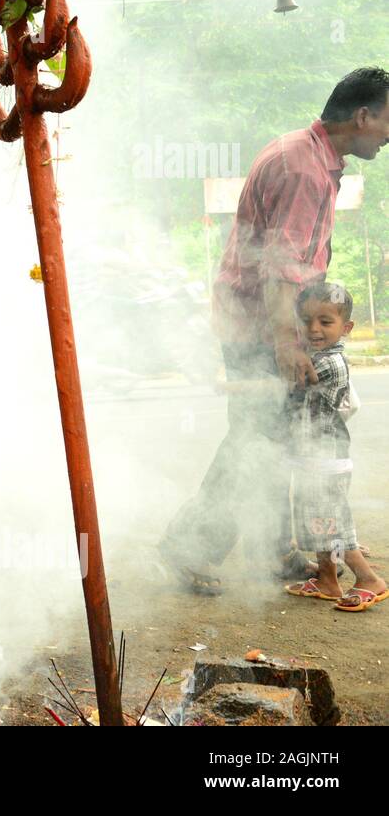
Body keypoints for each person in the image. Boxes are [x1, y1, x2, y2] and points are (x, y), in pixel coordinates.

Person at [160, 67, 389, 593]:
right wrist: (288, 342)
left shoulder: (302, 152)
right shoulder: (305, 169)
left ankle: (276, 550)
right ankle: (187, 549)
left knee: (277, 439)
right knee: (254, 442)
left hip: (259, 321)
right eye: (385, 122)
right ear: (362, 116)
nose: (387, 135)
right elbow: (281, 267)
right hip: (261, 329)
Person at [283, 283, 387, 611]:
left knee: (332, 525)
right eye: (306, 320)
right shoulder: (316, 357)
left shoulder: (330, 364)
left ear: (346, 327)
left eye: (325, 322)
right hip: (311, 459)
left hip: (326, 461)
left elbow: (294, 397)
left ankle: (367, 577)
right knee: (316, 521)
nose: (314, 328)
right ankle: (328, 580)